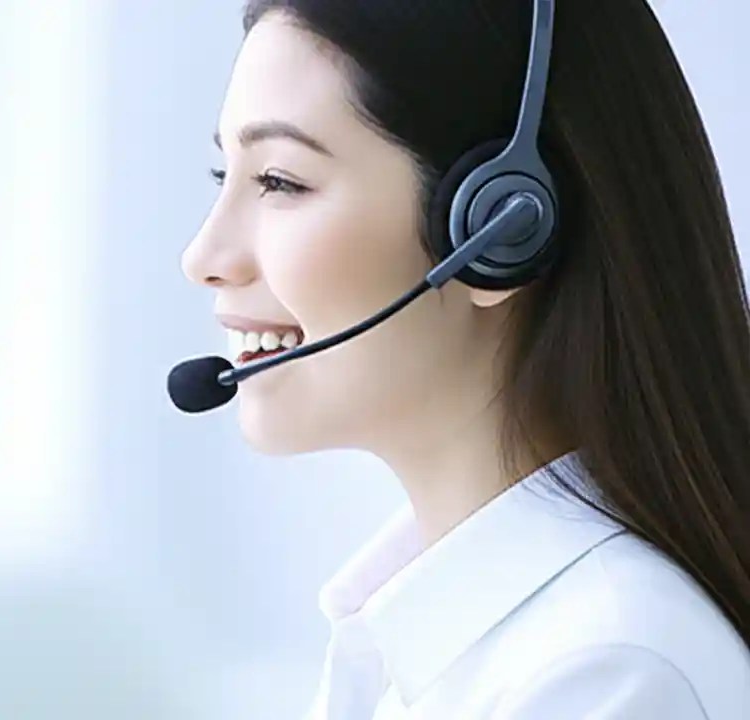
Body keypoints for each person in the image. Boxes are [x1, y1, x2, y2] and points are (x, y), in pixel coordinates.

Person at [178, 0, 750, 717]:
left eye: (280, 182)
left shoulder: (605, 676)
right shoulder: (418, 638)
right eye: (221, 174)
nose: (203, 258)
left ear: (502, 228)